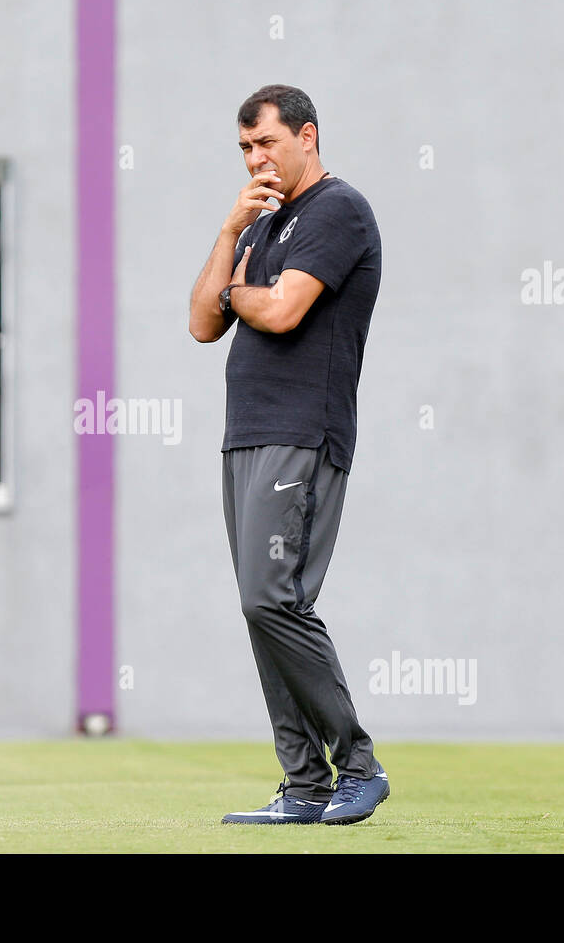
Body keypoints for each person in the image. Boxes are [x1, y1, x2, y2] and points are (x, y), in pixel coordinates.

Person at [188, 84, 388, 825]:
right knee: (259, 608)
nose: (255, 158)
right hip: (245, 435)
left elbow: (278, 309)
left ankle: (357, 765)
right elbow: (201, 323)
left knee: (273, 599)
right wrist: (231, 231)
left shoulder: (338, 209)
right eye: (244, 148)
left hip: (303, 434)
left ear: (307, 135)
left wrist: (241, 286)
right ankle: (303, 785)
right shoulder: (261, 225)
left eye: (266, 142)